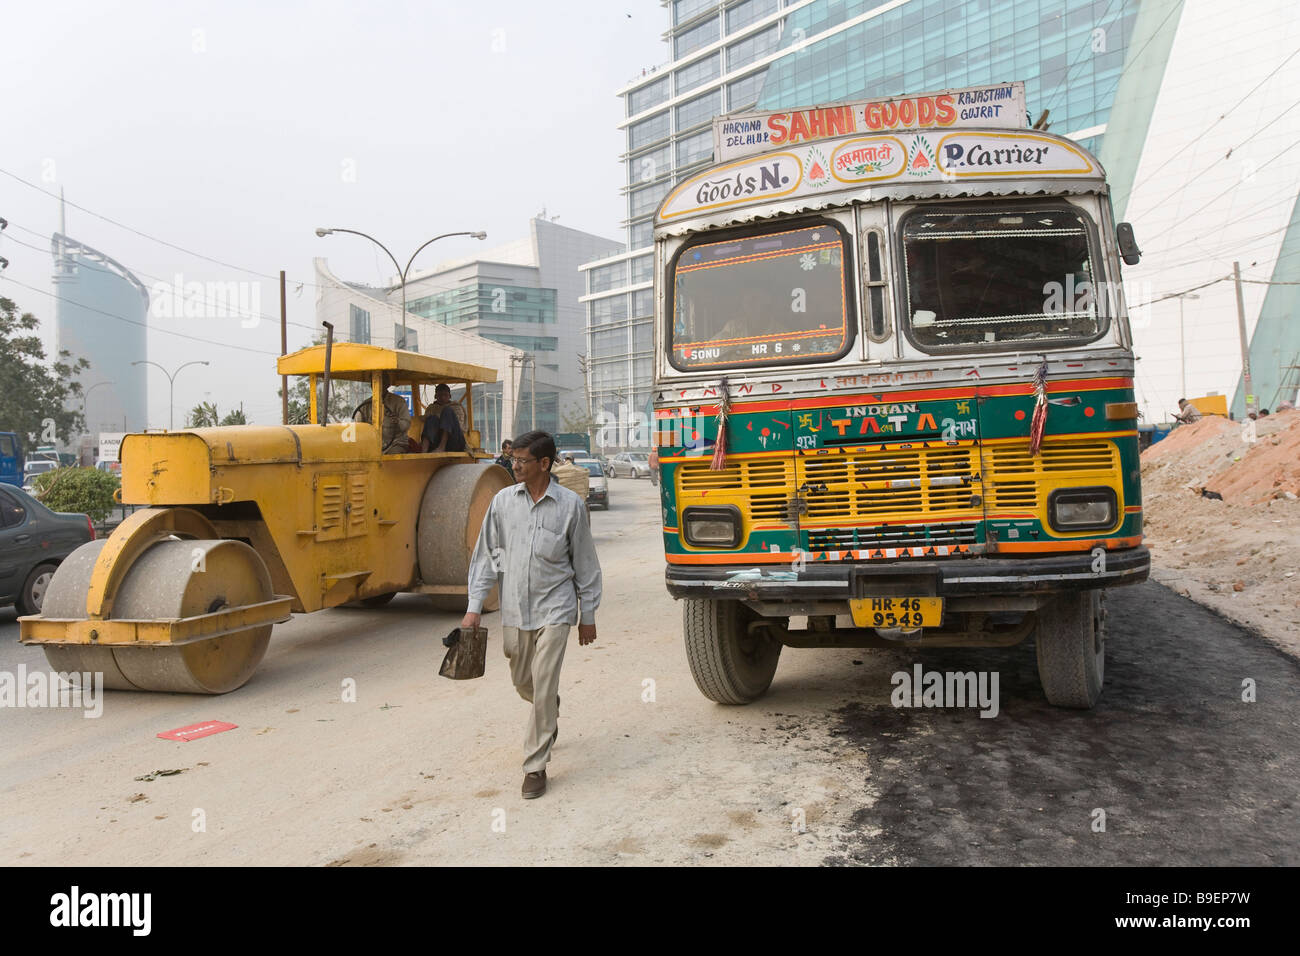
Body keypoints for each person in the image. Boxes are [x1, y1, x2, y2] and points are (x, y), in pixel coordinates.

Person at [462, 430, 602, 800]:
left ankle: (535, 766)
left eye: (521, 460)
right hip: (515, 607)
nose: (514, 465)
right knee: (523, 679)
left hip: (556, 608)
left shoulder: (570, 506)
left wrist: (587, 613)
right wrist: (474, 608)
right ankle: (548, 708)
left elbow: (585, 564)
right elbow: (488, 555)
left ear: (544, 463)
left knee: (542, 680)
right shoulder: (503, 502)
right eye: (513, 459)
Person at [354, 373, 412, 454]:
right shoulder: (365, 406)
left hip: (395, 444)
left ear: (387, 384)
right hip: (372, 445)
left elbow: (406, 425)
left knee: (392, 456)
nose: (377, 385)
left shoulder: (399, 402)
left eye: (381, 382)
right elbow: (358, 426)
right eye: (374, 382)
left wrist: (397, 421)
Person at [420, 384, 467, 453]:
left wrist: (442, 418)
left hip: (455, 441)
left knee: (447, 411)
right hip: (437, 441)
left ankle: (442, 447)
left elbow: (458, 427)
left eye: (445, 395)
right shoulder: (431, 408)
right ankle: (424, 450)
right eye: (440, 395)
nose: (442, 397)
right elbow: (425, 421)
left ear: (450, 396)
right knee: (432, 418)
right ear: (435, 396)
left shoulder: (456, 407)